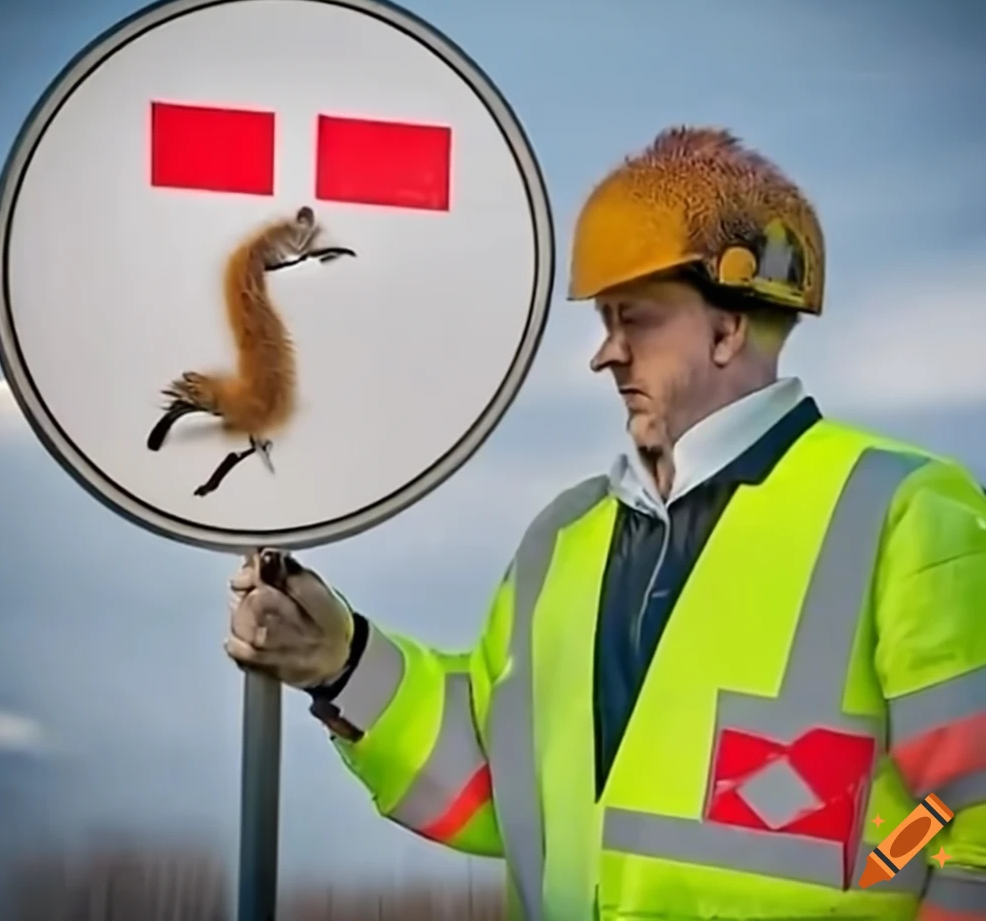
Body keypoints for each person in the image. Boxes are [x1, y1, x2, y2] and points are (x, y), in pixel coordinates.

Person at [225, 127, 986, 921]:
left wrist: (897, 860)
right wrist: (340, 659)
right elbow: (500, 788)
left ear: (727, 328)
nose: (606, 354)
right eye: (604, 322)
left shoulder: (901, 513)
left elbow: (972, 827)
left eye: (637, 320)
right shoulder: (564, 539)